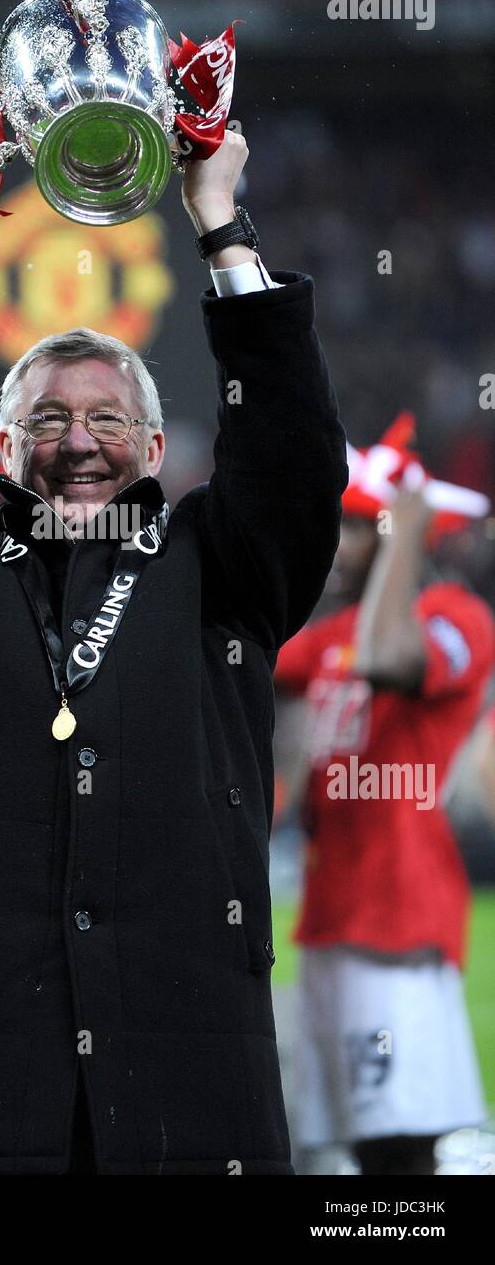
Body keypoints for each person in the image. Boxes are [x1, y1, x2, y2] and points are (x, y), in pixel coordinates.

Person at [0, 128, 348, 1175]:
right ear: (1, 449)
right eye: (45, 419)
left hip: (184, 1066)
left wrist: (218, 218)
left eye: (108, 417)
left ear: (154, 448)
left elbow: (289, 451)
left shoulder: (220, 565)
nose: (78, 440)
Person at [274, 421, 495, 1176]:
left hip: (398, 913)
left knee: (400, 1139)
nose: (342, 542)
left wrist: (408, 534)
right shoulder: (333, 630)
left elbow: (385, 658)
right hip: (332, 911)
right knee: (352, 1139)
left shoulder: (457, 619)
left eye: (360, 526)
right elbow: (249, 656)